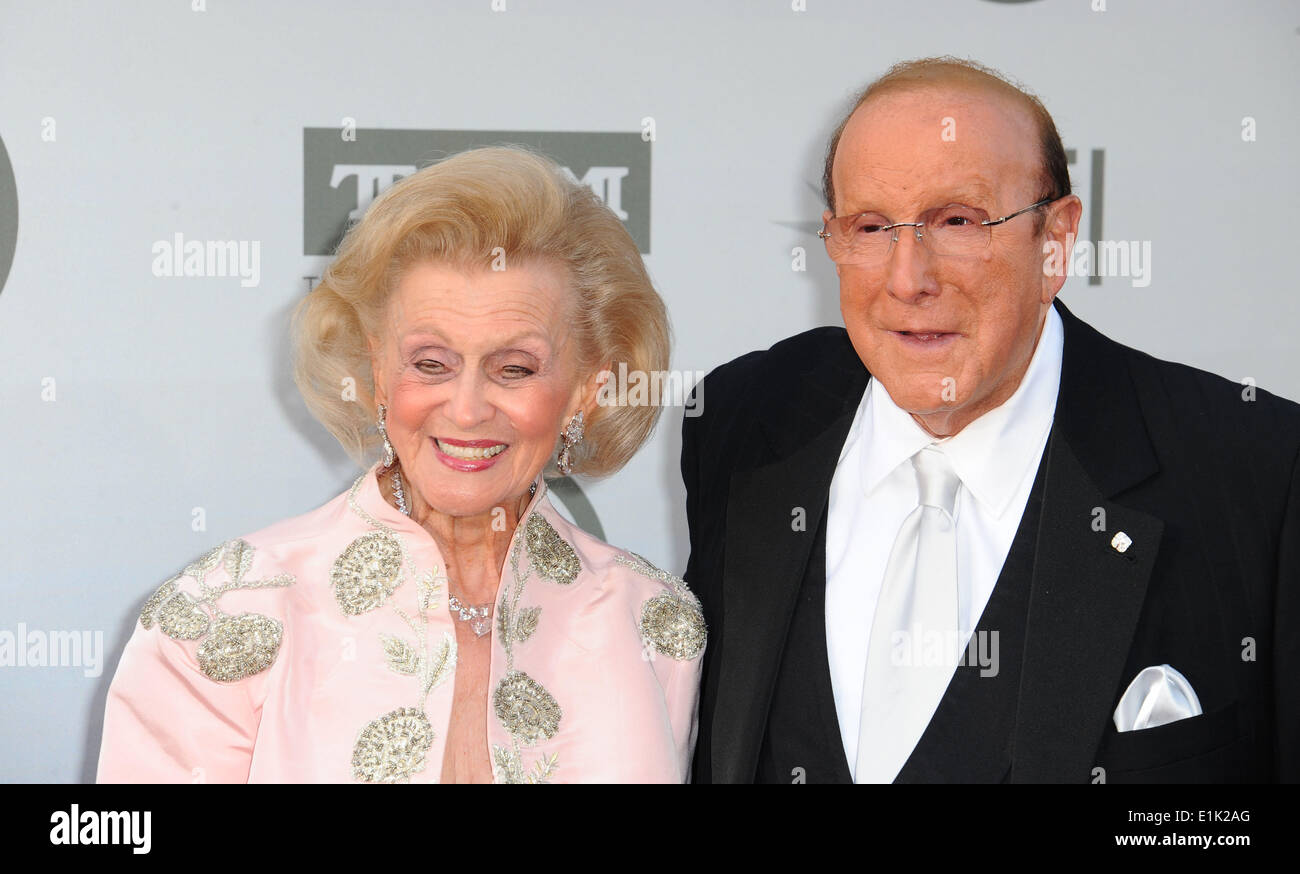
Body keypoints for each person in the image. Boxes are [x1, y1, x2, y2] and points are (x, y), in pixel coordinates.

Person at [682, 57, 1299, 783]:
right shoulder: (744, 419)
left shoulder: (1257, 472)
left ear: (1056, 240)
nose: (909, 279)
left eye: (958, 221)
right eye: (872, 226)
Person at [97, 146, 705, 783]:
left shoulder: (652, 621)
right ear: (377, 370)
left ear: (587, 387)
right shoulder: (223, 610)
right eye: (431, 364)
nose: (467, 410)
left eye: (515, 369)